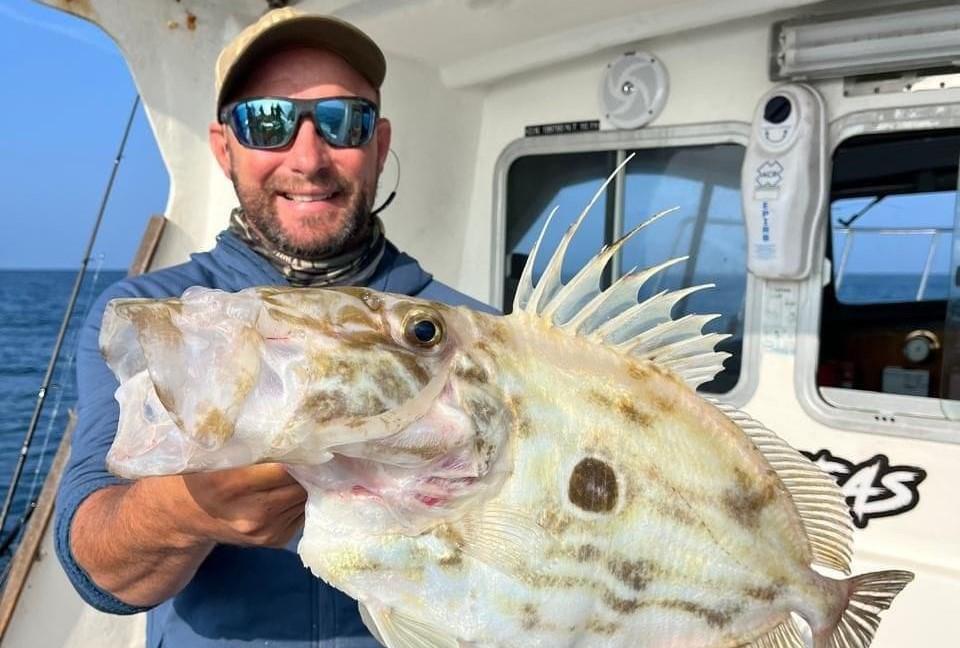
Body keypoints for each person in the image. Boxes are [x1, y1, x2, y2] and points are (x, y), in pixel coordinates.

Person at [54, 8, 491, 647]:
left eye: (343, 120)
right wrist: (184, 509)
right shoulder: (154, 317)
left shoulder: (475, 334)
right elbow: (97, 566)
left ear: (379, 143)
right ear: (223, 147)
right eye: (267, 122)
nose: (308, 158)